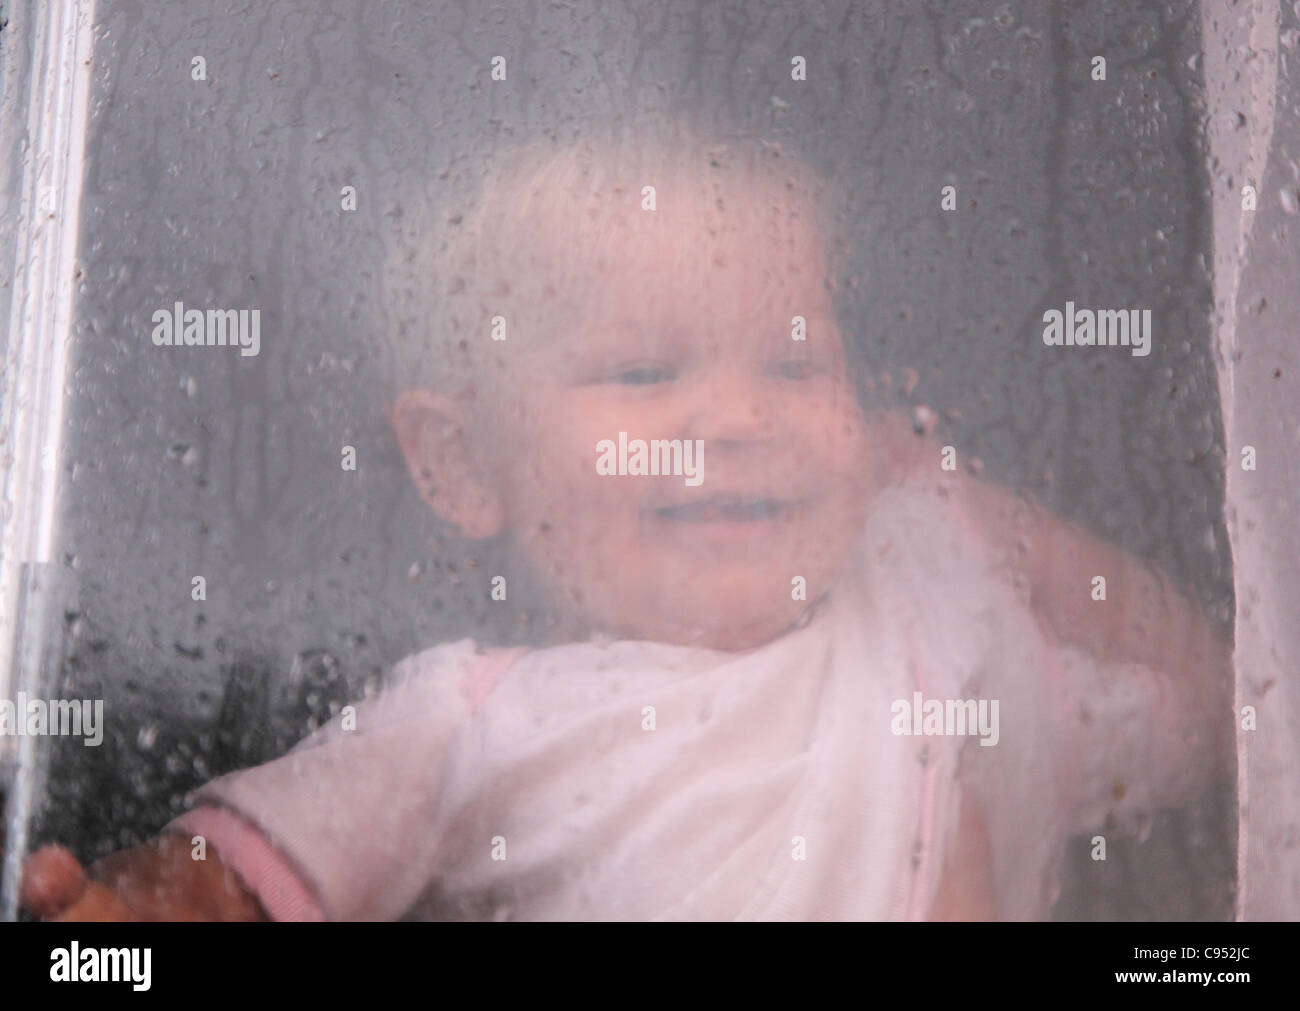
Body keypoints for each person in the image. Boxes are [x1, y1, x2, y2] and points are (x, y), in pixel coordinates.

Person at [18, 121, 1231, 921]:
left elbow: (1212, 704)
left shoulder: (935, 621)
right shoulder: (478, 723)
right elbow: (244, 877)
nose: (739, 416)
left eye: (799, 368)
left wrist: (970, 510)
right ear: (463, 462)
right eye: (645, 374)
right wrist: (121, 927)